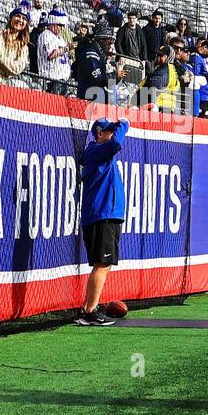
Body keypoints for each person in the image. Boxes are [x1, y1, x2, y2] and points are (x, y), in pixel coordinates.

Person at [75, 118, 129, 326]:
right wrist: (123, 122)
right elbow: (117, 143)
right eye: (109, 131)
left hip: (105, 214)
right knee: (102, 263)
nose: (112, 134)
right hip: (102, 215)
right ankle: (89, 311)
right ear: (99, 134)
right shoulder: (97, 150)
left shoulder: (98, 153)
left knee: (104, 264)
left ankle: (88, 309)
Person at [37, 6, 72, 95]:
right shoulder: (45, 35)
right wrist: (67, 48)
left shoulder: (60, 38)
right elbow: (51, 55)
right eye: (60, 25)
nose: (62, 28)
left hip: (63, 80)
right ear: (53, 23)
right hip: (51, 80)